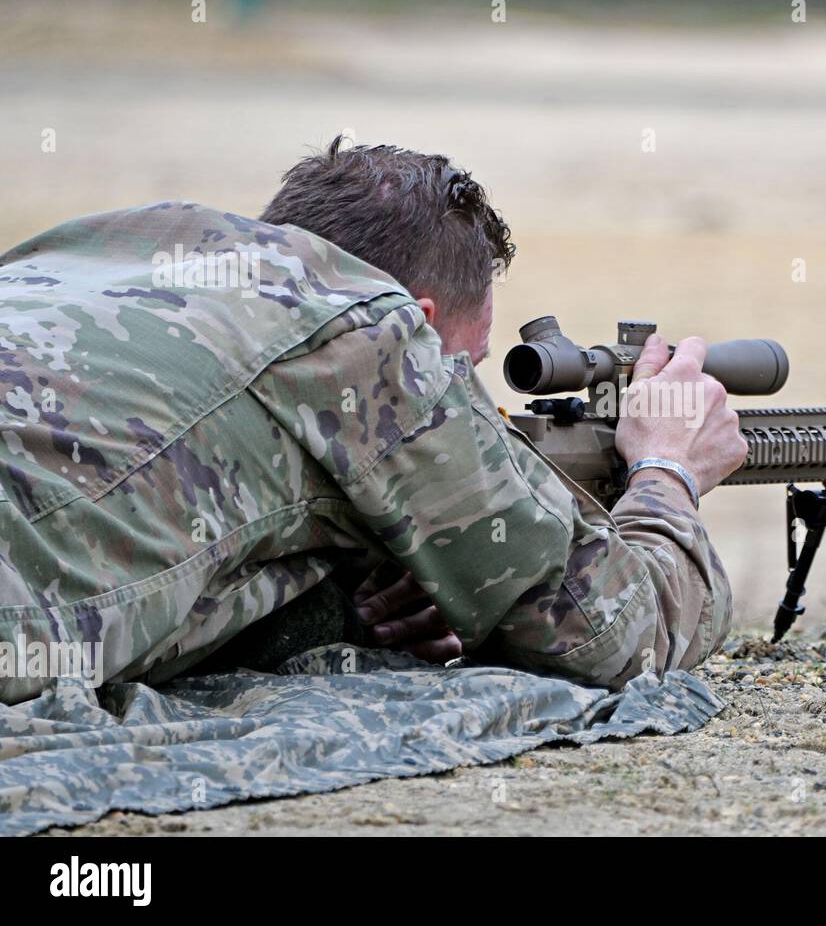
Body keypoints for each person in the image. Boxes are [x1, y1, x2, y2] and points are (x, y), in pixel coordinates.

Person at [0, 137, 747, 704]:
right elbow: (617, 641)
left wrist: (330, 610)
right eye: (469, 367)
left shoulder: (117, 245)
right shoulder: (370, 334)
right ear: (416, 325)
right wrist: (666, 471)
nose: (468, 400)